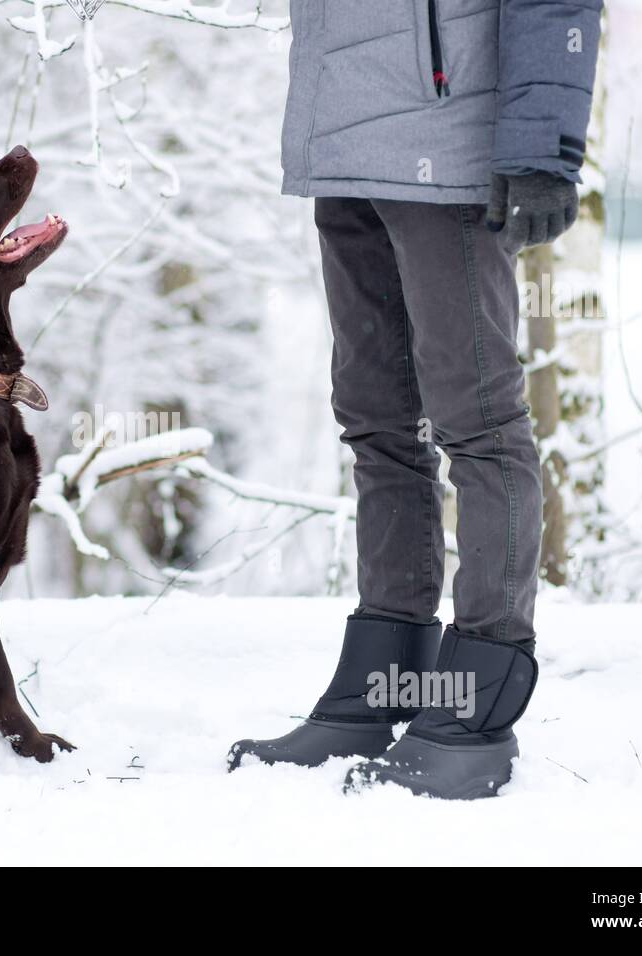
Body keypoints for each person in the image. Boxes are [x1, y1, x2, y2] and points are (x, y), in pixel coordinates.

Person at [229, 0, 603, 798]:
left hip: (450, 140)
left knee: (479, 423)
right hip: (345, 138)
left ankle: (479, 700)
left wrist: (544, 146)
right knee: (376, 422)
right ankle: (385, 683)